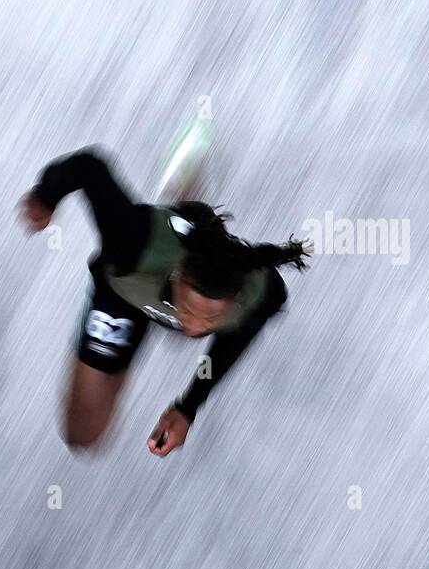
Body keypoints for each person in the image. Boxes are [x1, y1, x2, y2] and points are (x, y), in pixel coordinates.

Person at [20, 146, 308, 456]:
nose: (193, 325)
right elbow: (89, 167)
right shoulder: (130, 240)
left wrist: (187, 408)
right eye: (188, 310)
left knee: (182, 331)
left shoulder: (260, 296)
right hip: (122, 292)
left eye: (209, 321)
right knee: (83, 434)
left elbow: (234, 341)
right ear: (178, 275)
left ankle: (193, 211)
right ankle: (184, 196)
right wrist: (45, 197)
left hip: (164, 288)